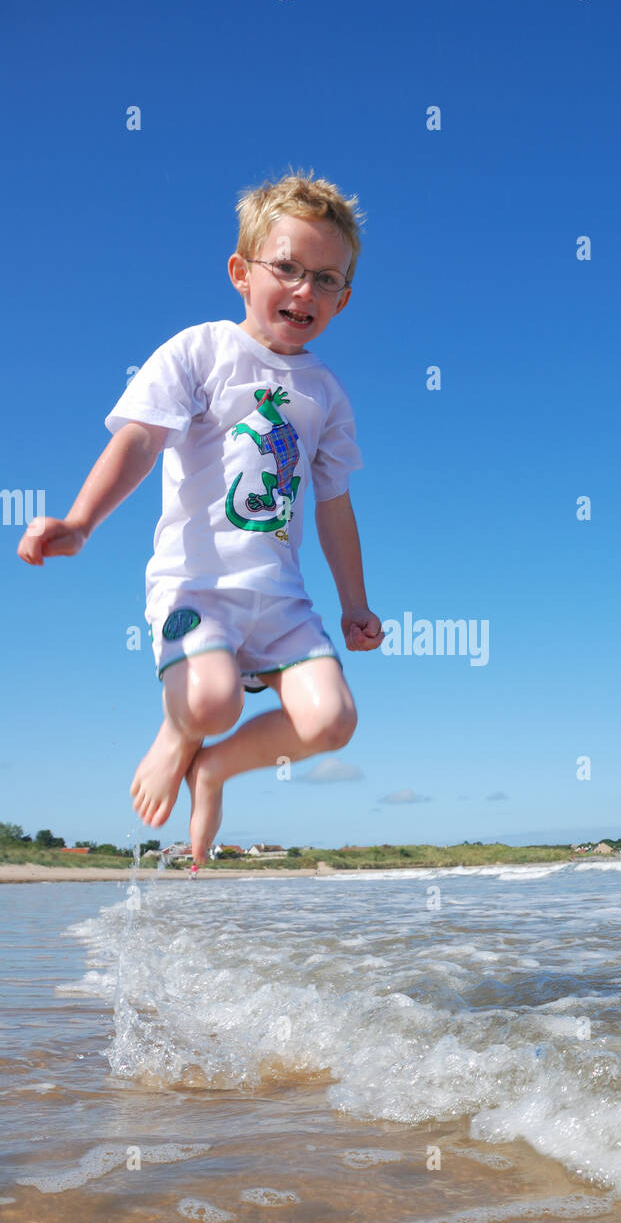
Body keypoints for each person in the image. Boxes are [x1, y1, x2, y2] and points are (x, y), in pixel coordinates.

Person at [17, 169, 383, 863]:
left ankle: (213, 769)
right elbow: (138, 441)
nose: (306, 290)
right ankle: (181, 736)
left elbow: (334, 501)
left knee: (333, 720)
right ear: (242, 272)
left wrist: (355, 604)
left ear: (345, 298)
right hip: (194, 589)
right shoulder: (200, 351)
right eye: (288, 268)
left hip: (280, 602)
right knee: (215, 701)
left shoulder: (326, 394)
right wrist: (79, 523)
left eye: (327, 278)